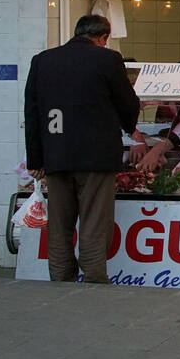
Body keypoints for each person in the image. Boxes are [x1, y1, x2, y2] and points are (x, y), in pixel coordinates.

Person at [24, 14, 140, 283]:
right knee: (94, 222)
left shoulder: (43, 60)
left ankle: (60, 278)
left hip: (56, 155)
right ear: (103, 38)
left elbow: (32, 113)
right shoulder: (107, 59)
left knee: (60, 224)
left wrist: (36, 159)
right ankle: (94, 278)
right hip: (96, 156)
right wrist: (129, 126)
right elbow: (127, 102)